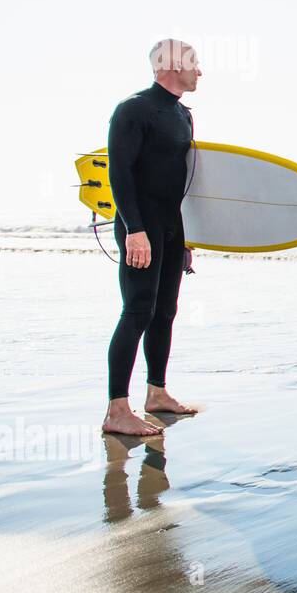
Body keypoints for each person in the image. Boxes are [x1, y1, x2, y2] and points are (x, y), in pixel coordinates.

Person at [102, 39, 202, 436]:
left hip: (172, 226)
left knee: (165, 310)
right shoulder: (134, 109)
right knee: (137, 311)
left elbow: (190, 179)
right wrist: (134, 231)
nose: (200, 71)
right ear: (172, 64)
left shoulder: (183, 114)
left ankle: (156, 393)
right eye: (195, 63)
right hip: (139, 224)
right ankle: (116, 410)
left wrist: (189, 236)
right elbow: (119, 174)